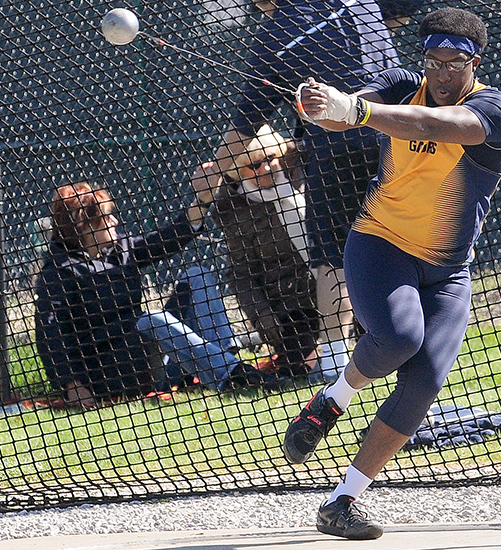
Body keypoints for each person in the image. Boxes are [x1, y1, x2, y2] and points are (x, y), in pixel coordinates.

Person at [282, 7, 501, 539]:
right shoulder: (398, 86)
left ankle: (341, 503)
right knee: (397, 338)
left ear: (473, 63)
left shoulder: (493, 108)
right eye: (432, 60)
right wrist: (322, 107)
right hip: (379, 243)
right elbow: (345, 115)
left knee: (426, 380)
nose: (440, 73)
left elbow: (438, 125)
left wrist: (358, 110)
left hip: (449, 269)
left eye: (453, 63)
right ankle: (331, 401)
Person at [190, 0, 421, 383]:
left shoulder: (272, 38)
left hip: (337, 149)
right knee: (409, 242)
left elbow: (243, 131)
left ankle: (333, 363)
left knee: (332, 257)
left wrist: (216, 173)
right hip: (401, 137)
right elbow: (399, 15)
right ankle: (416, 346)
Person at [34, 182, 261, 408]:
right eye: (106, 217)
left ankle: (227, 361)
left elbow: (168, 238)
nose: (115, 222)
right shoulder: (59, 271)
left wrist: (203, 199)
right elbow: (50, 334)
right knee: (153, 319)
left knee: (197, 275)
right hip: (110, 374)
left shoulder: (120, 250)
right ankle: (231, 375)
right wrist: (72, 385)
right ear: (85, 226)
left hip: (154, 359)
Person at [203, 126, 321, 382]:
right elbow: (240, 272)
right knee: (300, 371)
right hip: (292, 302)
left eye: (269, 160)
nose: (266, 169)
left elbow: (307, 141)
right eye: (254, 166)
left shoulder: (301, 171)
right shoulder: (232, 209)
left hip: (334, 277)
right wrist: (266, 321)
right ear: (238, 170)